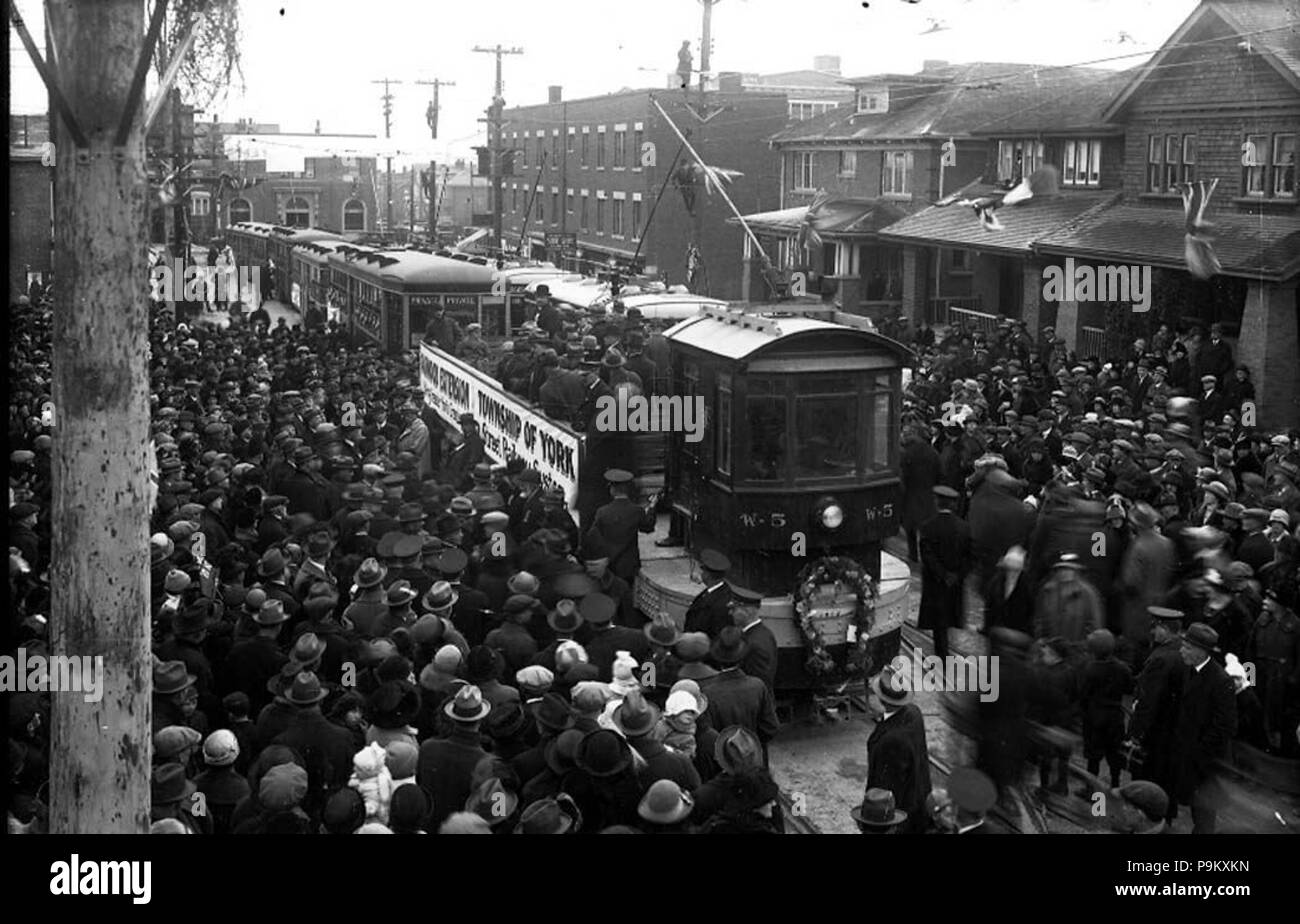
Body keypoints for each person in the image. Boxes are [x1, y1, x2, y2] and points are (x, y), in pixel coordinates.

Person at [1169, 622, 1237, 833]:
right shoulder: (1187, 669)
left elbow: (1224, 726)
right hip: (1187, 753)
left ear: (1202, 652)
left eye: (1187, 647)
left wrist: (1198, 754)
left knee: (1204, 815)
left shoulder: (1220, 681)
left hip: (1206, 762)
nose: (1182, 650)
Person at [865, 663, 932, 834]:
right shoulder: (914, 712)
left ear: (880, 698)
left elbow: (887, 788)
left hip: (899, 818)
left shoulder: (891, 741)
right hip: (919, 803)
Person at [918, 486, 969, 658]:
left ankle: (942, 657)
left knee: (938, 623)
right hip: (955, 583)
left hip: (936, 583)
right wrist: (957, 575)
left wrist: (942, 575)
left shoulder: (927, 527)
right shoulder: (963, 527)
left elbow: (927, 555)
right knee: (950, 617)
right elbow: (970, 556)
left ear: (936, 503)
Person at [682, 549, 733, 639]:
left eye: (702, 570)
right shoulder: (716, 591)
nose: (700, 573)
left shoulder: (720, 603)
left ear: (707, 575)